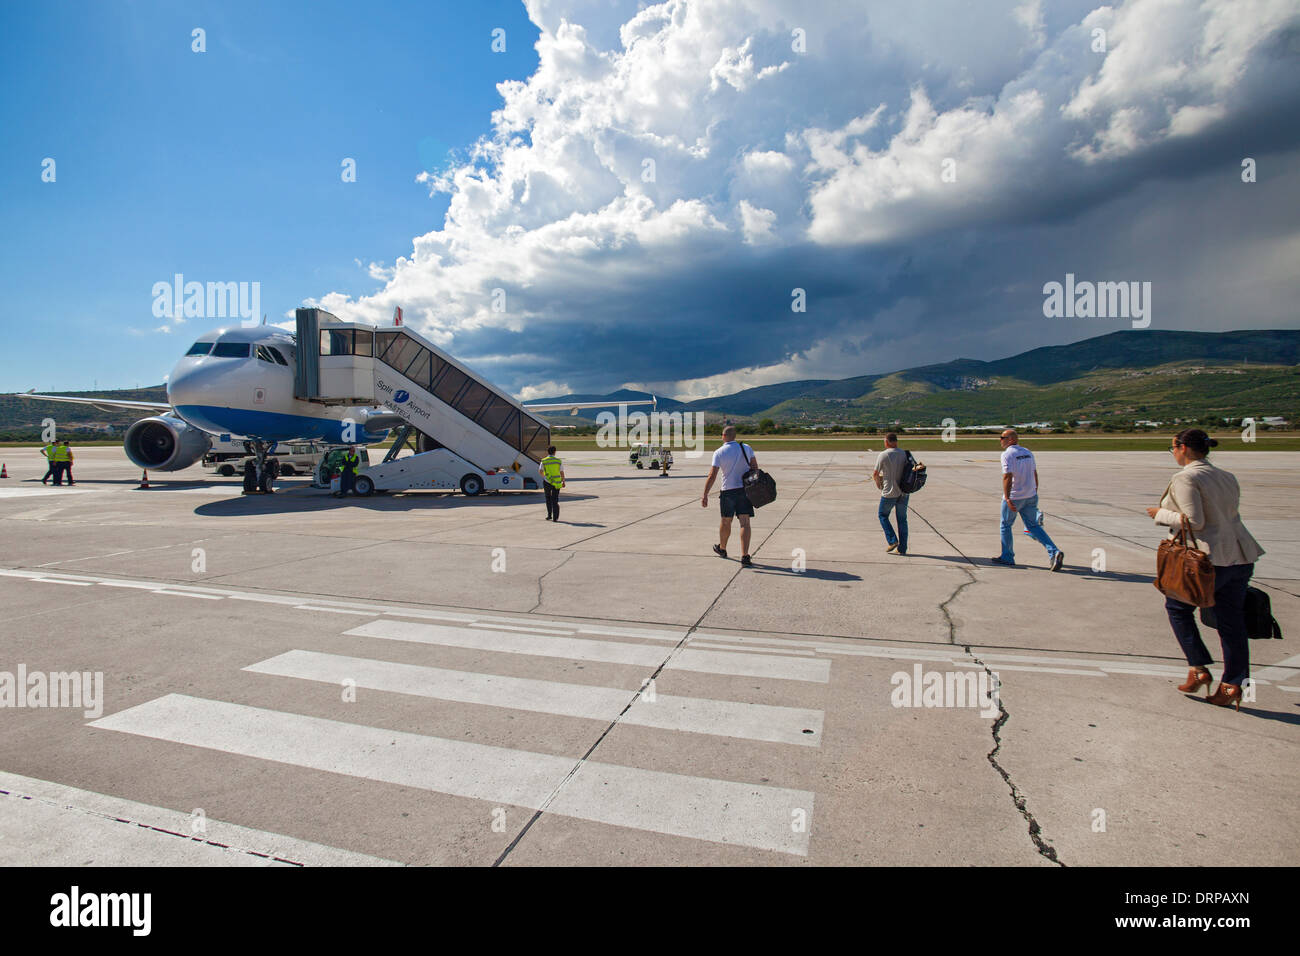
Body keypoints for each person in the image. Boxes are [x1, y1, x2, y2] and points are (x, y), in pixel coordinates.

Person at [1147, 428, 1264, 709]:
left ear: (1183, 447)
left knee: (1177, 609)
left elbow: (1194, 520)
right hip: (1240, 555)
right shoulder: (1226, 476)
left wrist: (1159, 514)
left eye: (1172, 447)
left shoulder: (1186, 477)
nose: (1172, 452)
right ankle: (1232, 683)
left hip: (1209, 560)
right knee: (1231, 622)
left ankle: (1198, 668)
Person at [994, 429, 1063, 570]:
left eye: (1002, 437)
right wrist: (1034, 490)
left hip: (1015, 496)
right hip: (1030, 495)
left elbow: (1007, 476)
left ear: (1011, 439)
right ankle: (1054, 552)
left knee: (1005, 525)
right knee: (1033, 526)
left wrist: (1007, 497)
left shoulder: (1007, 454)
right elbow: (1034, 473)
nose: (1000, 440)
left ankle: (1007, 557)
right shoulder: (1027, 452)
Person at [701, 425, 757, 566]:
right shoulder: (747, 448)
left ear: (723, 436)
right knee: (745, 522)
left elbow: (712, 475)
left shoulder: (719, 452)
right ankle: (745, 555)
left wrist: (705, 494)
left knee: (726, 521)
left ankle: (723, 548)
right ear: (735, 436)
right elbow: (755, 468)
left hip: (728, 492)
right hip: (745, 490)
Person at [872, 432, 909, 555]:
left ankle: (892, 540)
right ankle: (902, 548)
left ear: (886, 442)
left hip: (889, 491)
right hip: (903, 492)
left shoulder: (883, 454)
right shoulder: (904, 454)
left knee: (882, 515)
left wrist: (878, 485)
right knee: (902, 520)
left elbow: (875, 474)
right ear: (896, 441)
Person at [540, 446, 565, 520]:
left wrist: (545, 477)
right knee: (555, 499)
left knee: (548, 498)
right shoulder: (558, 461)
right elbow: (561, 472)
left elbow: (540, 471)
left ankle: (549, 515)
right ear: (555, 452)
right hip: (556, 483)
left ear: (548, 452)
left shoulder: (544, 460)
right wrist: (563, 481)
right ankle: (555, 517)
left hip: (547, 482)